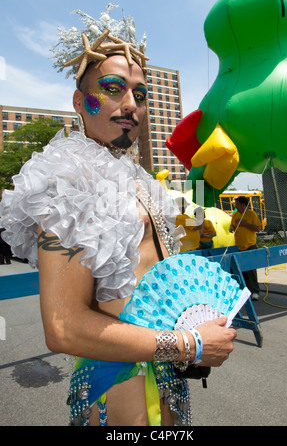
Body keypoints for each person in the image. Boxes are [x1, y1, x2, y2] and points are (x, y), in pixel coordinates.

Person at [0, 30, 237, 426]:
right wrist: (187, 343)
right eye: (112, 88)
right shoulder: (68, 180)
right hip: (119, 392)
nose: (130, 104)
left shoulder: (142, 181)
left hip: (168, 382)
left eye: (140, 95)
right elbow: (64, 328)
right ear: (80, 101)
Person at [229, 196, 261, 301]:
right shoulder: (235, 215)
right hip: (239, 246)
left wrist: (244, 224)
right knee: (241, 270)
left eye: (237, 204)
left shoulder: (251, 214)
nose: (235, 206)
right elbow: (232, 225)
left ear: (243, 205)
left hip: (250, 245)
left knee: (251, 270)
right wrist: (231, 227)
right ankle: (245, 291)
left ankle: (255, 291)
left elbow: (257, 228)